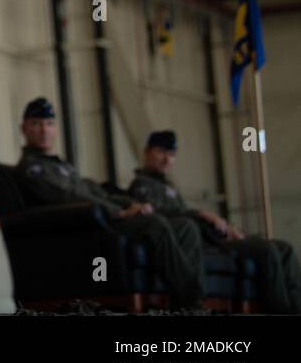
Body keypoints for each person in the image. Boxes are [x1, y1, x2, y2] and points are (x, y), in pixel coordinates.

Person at [15, 97, 204, 309]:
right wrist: (118, 212)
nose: (43, 130)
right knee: (155, 225)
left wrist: (131, 204)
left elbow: (97, 192)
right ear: (24, 128)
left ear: (56, 129)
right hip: (90, 225)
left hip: (105, 215)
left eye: (49, 124)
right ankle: (192, 301)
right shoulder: (33, 169)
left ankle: (181, 302)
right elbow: (67, 197)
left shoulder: (62, 166)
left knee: (186, 228)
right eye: (36, 124)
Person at [129, 130, 301, 313]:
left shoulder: (169, 187)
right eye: (161, 152)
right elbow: (164, 215)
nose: (167, 159)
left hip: (216, 233)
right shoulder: (141, 185)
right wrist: (202, 214)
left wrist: (226, 226)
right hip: (208, 241)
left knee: (285, 249)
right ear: (147, 152)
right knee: (267, 251)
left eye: (171, 155)